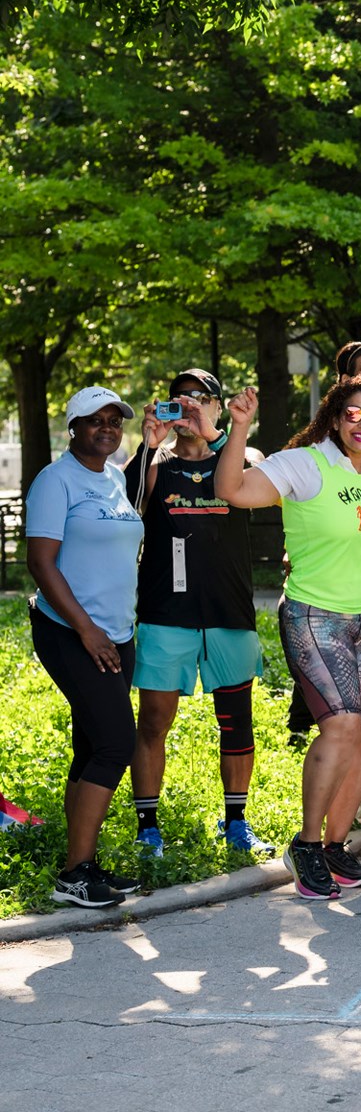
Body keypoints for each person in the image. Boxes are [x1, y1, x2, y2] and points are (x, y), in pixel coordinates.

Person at [215, 378, 361, 901]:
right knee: (341, 727)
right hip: (316, 615)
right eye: (354, 413)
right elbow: (231, 490)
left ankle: (337, 846)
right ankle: (305, 843)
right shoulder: (304, 463)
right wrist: (240, 427)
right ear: (334, 416)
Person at [125, 371, 272, 861]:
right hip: (167, 615)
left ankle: (235, 822)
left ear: (216, 405)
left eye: (199, 400)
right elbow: (126, 508)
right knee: (153, 723)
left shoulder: (240, 457)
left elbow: (255, 473)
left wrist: (216, 434)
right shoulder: (155, 466)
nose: (188, 408)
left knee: (237, 722)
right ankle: (148, 829)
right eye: (178, 401)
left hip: (229, 616)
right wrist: (147, 445)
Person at [29, 387, 145, 908]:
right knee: (118, 744)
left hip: (118, 632)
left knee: (92, 746)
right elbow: (41, 563)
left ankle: (81, 863)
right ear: (72, 427)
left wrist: (112, 629)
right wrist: (86, 630)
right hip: (71, 632)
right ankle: (75, 873)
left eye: (113, 420)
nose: (105, 427)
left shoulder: (116, 477)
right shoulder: (55, 481)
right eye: (93, 420)